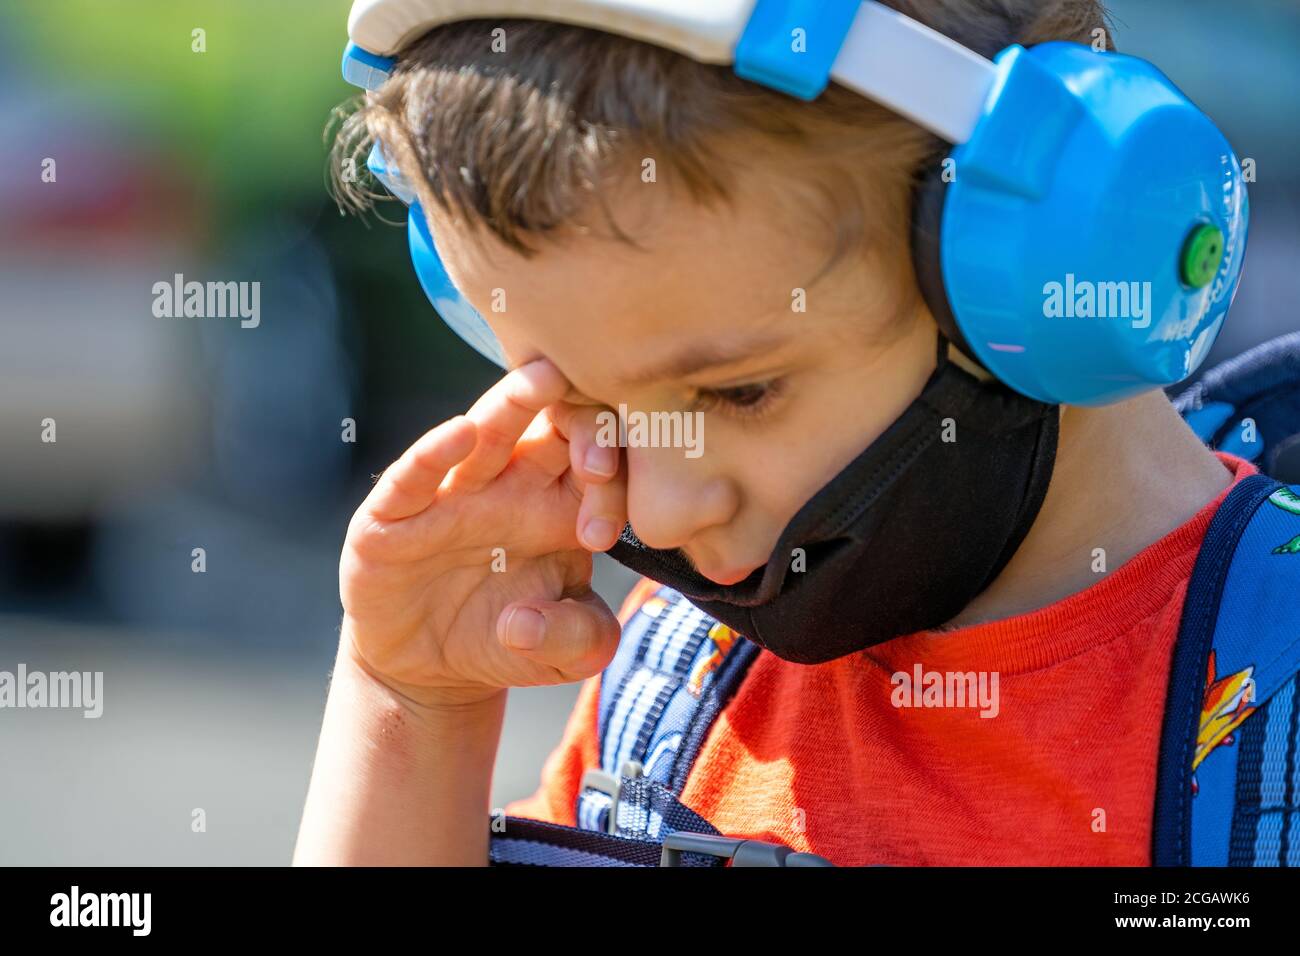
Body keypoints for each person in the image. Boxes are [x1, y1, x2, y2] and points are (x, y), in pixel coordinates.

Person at [293, 1, 1265, 865]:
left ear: (1045, 264)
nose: (663, 510)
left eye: (740, 392)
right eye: (581, 401)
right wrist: (413, 709)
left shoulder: (1274, 712)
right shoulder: (677, 675)